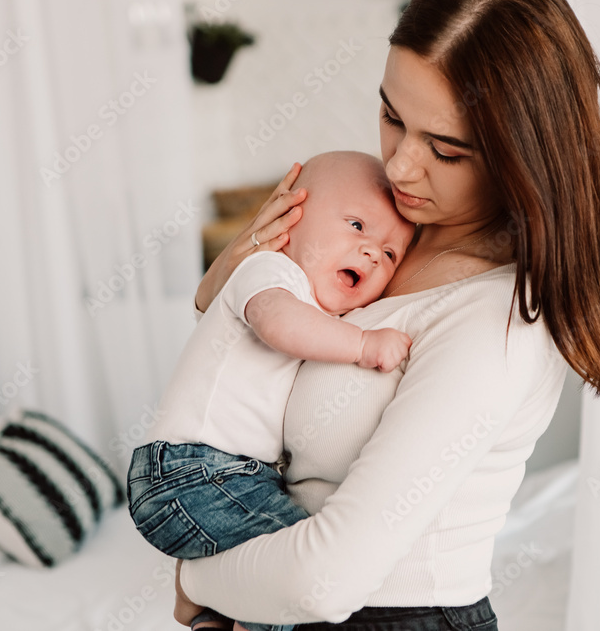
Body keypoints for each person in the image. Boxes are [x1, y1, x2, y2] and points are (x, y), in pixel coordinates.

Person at [175, 0, 600, 629]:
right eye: (392, 116)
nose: (397, 166)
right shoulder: (388, 228)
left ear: (521, 156)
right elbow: (226, 335)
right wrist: (246, 258)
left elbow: (323, 580)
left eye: (444, 149)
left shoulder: (496, 321)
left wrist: (198, 576)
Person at [127, 151, 415, 631]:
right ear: (290, 223)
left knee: (259, 576)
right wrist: (364, 344)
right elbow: (278, 323)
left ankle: (208, 619)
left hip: (226, 476)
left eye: (389, 253)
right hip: (192, 470)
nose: (371, 252)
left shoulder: (315, 309)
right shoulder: (270, 273)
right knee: (295, 569)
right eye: (357, 226)